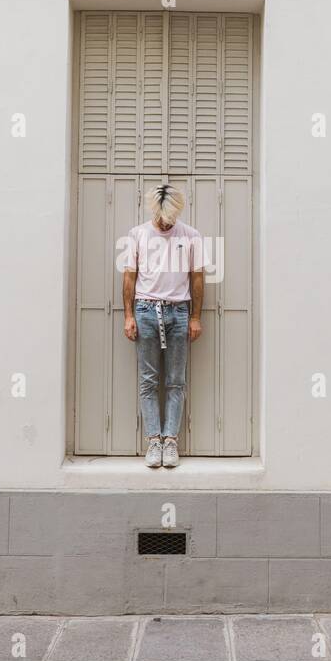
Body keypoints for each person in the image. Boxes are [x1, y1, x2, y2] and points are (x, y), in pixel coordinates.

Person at [121, 184, 204, 469]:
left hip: (179, 311)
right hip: (145, 310)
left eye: (170, 219)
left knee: (175, 380)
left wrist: (195, 317)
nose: (165, 224)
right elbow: (129, 278)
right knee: (148, 380)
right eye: (161, 218)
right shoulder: (137, 234)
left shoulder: (191, 236)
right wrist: (128, 315)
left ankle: (170, 441)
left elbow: (197, 279)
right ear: (154, 211)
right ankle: (153, 440)